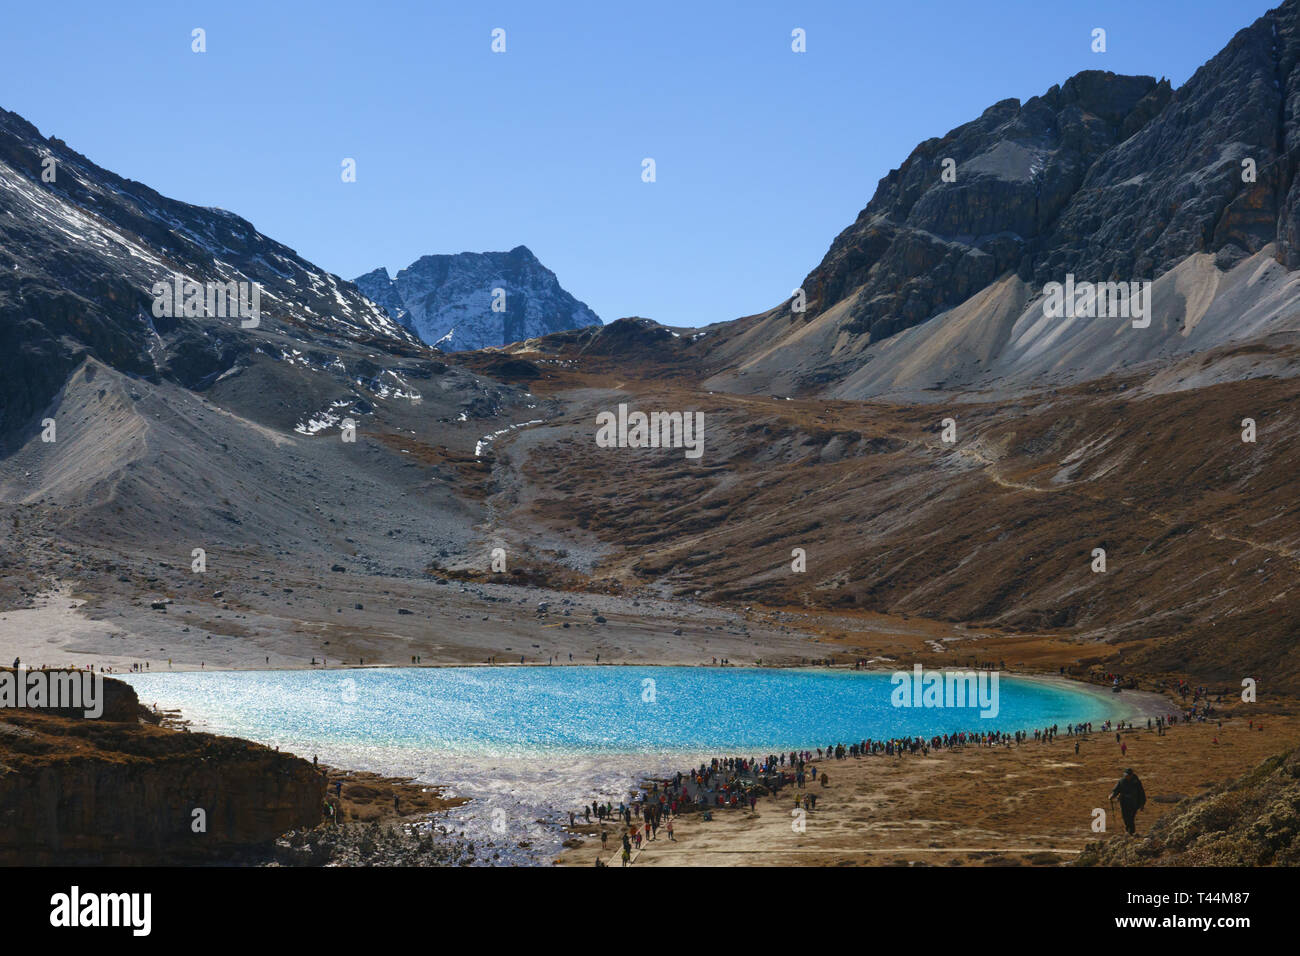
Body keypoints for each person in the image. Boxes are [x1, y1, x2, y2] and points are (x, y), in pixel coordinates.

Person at [1109, 768, 1146, 835]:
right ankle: (1128, 830)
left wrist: (1142, 804)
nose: (1126, 777)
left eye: (1128, 775)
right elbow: (1117, 789)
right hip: (1124, 802)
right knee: (1125, 817)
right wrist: (1112, 795)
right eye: (1125, 775)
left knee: (1131, 817)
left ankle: (1131, 832)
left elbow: (1141, 793)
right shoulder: (1122, 781)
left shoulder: (1136, 782)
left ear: (1131, 775)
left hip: (1133, 802)